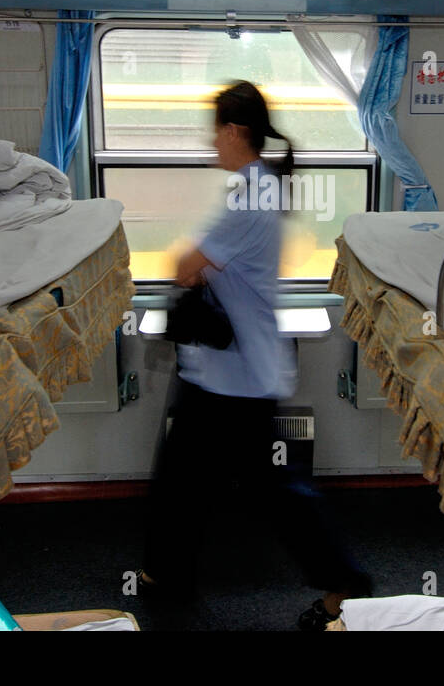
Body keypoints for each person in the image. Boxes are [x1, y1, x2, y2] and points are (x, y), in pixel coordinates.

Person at [139, 80, 372, 630]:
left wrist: (192, 268)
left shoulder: (249, 197)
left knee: (275, 493)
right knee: (186, 479)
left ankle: (347, 582)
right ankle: (167, 574)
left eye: (215, 132)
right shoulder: (258, 185)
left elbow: (184, 266)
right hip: (226, 371)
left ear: (235, 131)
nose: (211, 145)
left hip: (236, 380)